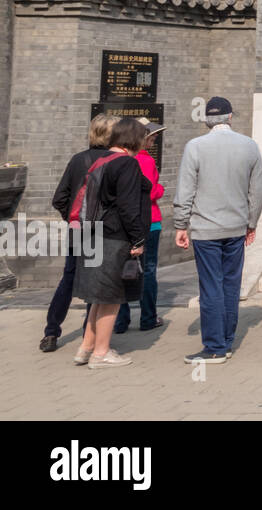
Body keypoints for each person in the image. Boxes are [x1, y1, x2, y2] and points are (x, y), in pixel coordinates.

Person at [173, 97, 262, 365]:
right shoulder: (249, 145)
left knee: (210, 286)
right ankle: (226, 340)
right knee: (231, 284)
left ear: (207, 120)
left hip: (205, 228)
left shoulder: (195, 146)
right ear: (230, 117)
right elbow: (257, 191)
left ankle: (214, 347)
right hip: (236, 227)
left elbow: (186, 189)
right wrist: (252, 222)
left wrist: (181, 224)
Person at [71, 117, 152, 369]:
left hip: (93, 234)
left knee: (99, 296)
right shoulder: (127, 163)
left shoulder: (101, 160)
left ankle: (86, 347)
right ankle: (101, 353)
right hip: (114, 237)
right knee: (112, 297)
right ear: (134, 138)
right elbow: (128, 206)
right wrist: (138, 238)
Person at [39, 114, 113, 353]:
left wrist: (73, 219)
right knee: (96, 283)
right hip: (102, 231)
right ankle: (88, 337)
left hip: (78, 229)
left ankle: (51, 332)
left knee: (69, 279)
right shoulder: (116, 161)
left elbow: (59, 198)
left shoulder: (78, 159)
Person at [114, 120, 166, 334]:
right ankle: (148, 318)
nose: (153, 141)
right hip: (149, 221)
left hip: (124, 223)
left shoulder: (120, 160)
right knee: (148, 270)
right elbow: (150, 191)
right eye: (151, 137)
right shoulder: (145, 160)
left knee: (122, 271)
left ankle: (120, 321)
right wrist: (161, 189)